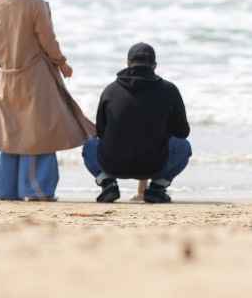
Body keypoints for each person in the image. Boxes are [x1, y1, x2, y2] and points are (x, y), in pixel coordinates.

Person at [0, 0, 95, 201]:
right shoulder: (35, 3)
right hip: (34, 76)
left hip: (5, 78)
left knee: (8, 133)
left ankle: (3, 190)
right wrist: (62, 63)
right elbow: (47, 40)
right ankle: (35, 190)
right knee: (40, 132)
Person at [81, 42, 192, 204]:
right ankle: (157, 188)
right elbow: (182, 133)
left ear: (127, 64)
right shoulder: (169, 90)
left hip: (112, 164)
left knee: (89, 146)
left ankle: (108, 184)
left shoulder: (110, 90)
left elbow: (101, 130)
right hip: (154, 165)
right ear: (154, 66)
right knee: (185, 147)